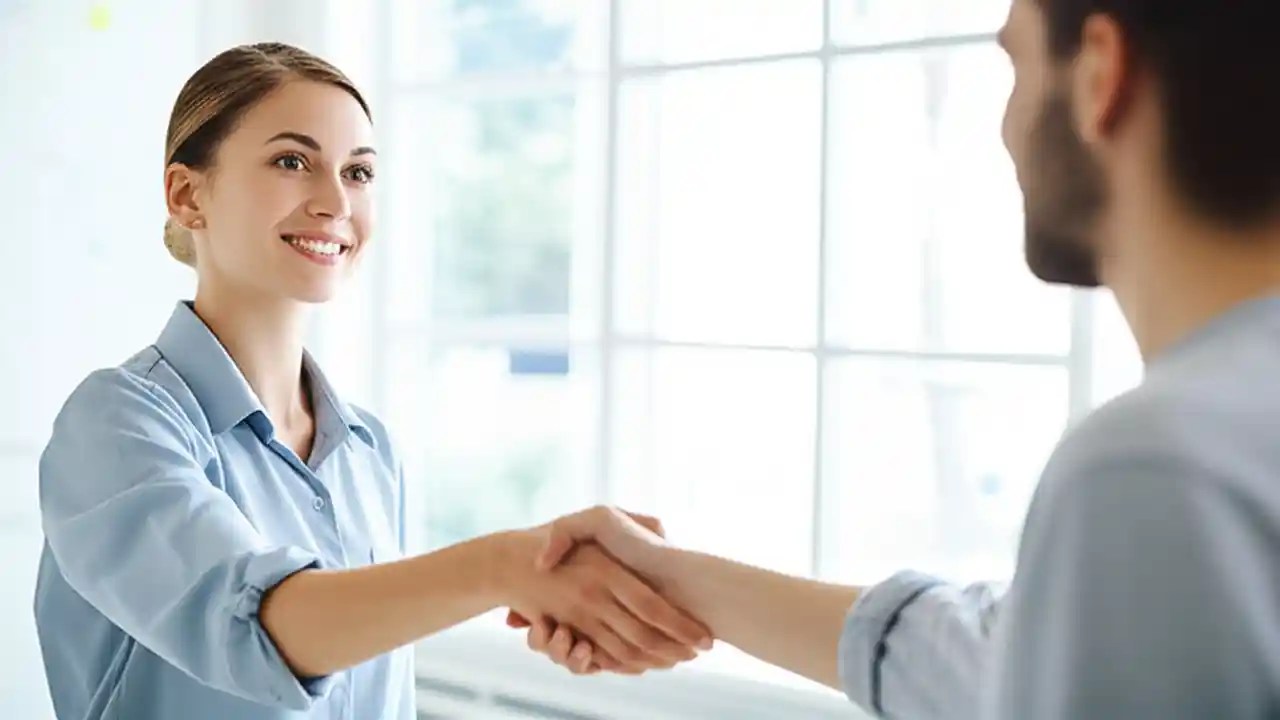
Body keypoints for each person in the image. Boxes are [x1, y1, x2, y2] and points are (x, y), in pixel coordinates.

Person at [518, 0, 1280, 717]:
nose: (1006, 129)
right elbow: (996, 663)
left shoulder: (1151, 465)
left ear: (1097, 77)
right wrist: (668, 578)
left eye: (1015, 67)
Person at [33, 42, 711, 720]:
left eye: (358, 173)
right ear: (187, 196)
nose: (334, 201)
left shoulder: (369, 451)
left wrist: (543, 583)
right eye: (291, 162)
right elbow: (260, 629)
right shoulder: (116, 424)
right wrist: (507, 568)